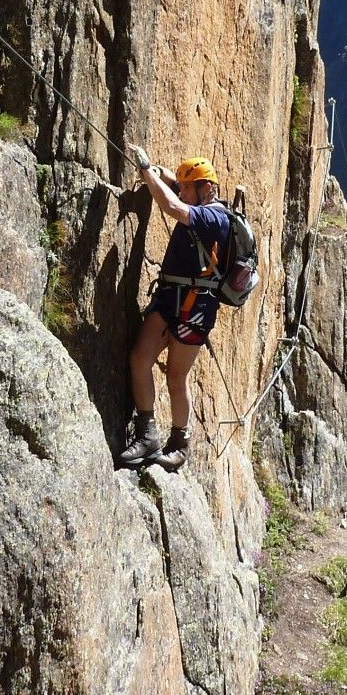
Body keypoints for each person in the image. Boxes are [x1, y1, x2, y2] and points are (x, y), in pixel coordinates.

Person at [119, 149, 231, 470]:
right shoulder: (196, 199)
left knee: (176, 377)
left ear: (205, 189)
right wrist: (157, 170)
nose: (181, 191)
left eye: (187, 187)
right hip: (171, 297)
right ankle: (147, 435)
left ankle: (179, 445)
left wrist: (146, 172)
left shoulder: (215, 218)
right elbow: (174, 186)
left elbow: (172, 206)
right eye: (181, 187)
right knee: (139, 358)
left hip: (195, 307)